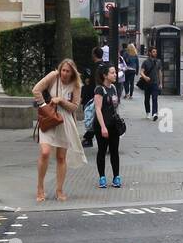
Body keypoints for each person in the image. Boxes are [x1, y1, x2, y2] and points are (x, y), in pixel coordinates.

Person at [31, 58, 86, 202]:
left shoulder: (76, 85)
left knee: (61, 157)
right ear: (60, 69)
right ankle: (40, 188)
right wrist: (43, 106)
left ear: (72, 72)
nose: (65, 73)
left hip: (65, 121)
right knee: (45, 152)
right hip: (49, 119)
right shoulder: (53, 76)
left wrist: (61, 100)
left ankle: (59, 190)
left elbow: (74, 107)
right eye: (63, 70)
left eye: (68, 71)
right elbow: (36, 89)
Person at [93, 63, 124, 189]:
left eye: (115, 72)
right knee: (101, 150)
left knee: (114, 151)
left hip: (113, 125)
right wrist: (103, 127)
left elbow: (115, 107)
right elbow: (98, 109)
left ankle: (116, 177)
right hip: (101, 125)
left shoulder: (114, 88)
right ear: (105, 75)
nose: (115, 74)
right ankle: (102, 177)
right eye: (112, 73)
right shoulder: (99, 89)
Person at [139, 46, 161, 120]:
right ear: (150, 53)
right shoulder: (145, 62)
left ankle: (154, 113)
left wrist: (160, 83)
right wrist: (145, 77)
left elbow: (160, 72)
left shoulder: (158, 61)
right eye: (154, 52)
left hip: (155, 83)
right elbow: (141, 72)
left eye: (156, 52)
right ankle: (148, 112)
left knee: (155, 98)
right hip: (147, 83)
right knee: (147, 98)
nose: (155, 53)